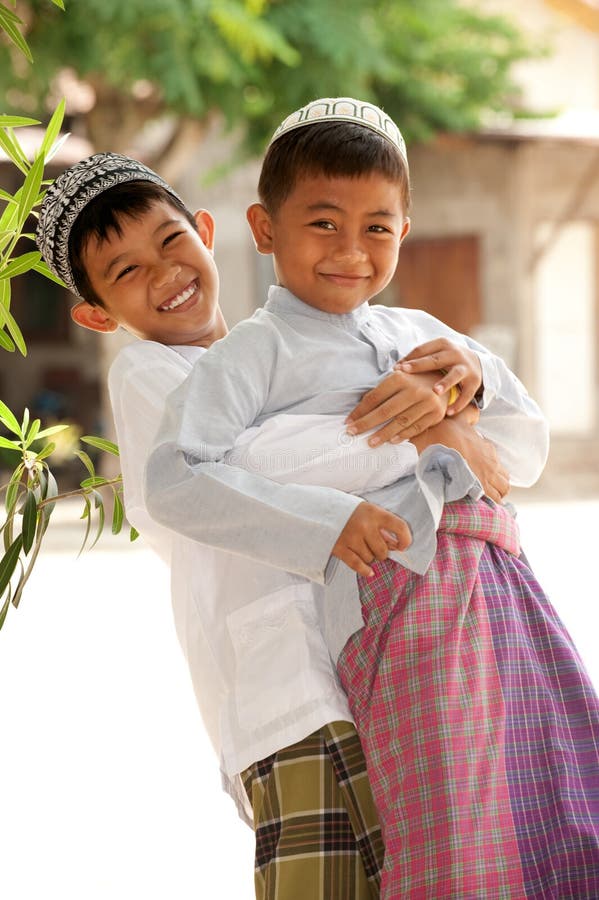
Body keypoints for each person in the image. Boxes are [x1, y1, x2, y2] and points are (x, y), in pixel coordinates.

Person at [144, 97, 599, 898]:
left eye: (378, 228)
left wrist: (476, 383)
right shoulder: (255, 351)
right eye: (323, 223)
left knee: (557, 792)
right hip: (405, 606)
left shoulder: (419, 331)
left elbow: (520, 451)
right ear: (263, 227)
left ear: (404, 231)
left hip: (502, 591)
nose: (351, 252)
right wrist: (328, 521)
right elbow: (176, 478)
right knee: (457, 818)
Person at [36, 152, 500, 899]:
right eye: (124, 272)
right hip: (282, 695)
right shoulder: (150, 373)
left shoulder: (272, 351)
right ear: (96, 315)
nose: (163, 274)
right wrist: (426, 431)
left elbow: (464, 436)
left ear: (207, 232)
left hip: (366, 672)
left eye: (170, 242)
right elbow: (261, 459)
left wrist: (452, 400)